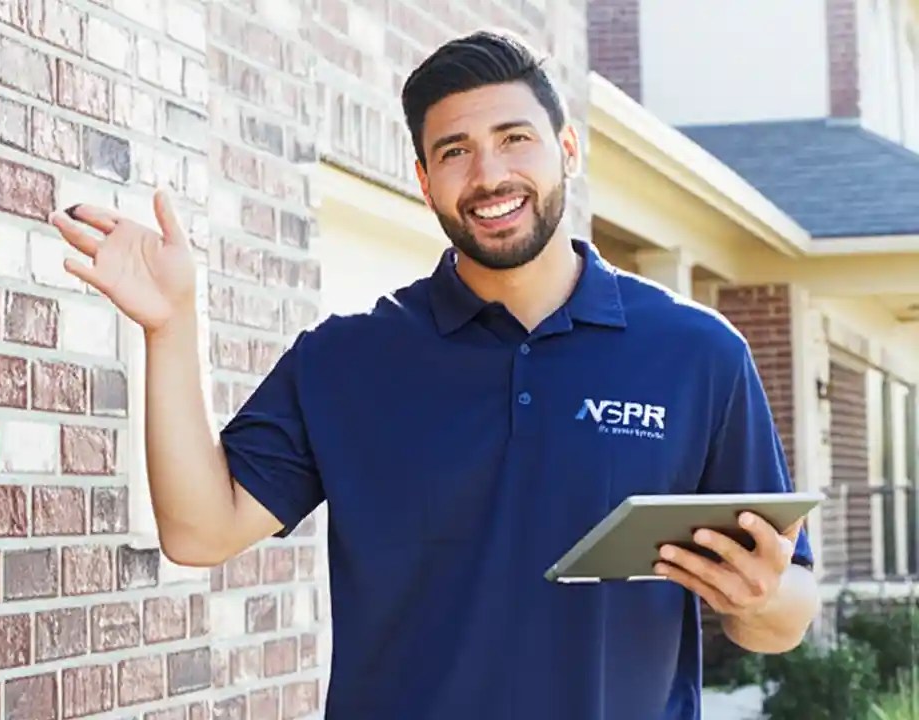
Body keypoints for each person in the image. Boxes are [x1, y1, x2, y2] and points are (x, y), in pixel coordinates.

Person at [50, 28, 818, 720]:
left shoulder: (697, 354)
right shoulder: (347, 360)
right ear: (424, 180)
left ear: (568, 150)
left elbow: (788, 614)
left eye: (515, 138)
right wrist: (171, 326)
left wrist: (758, 598)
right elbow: (198, 530)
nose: (489, 174)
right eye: (454, 151)